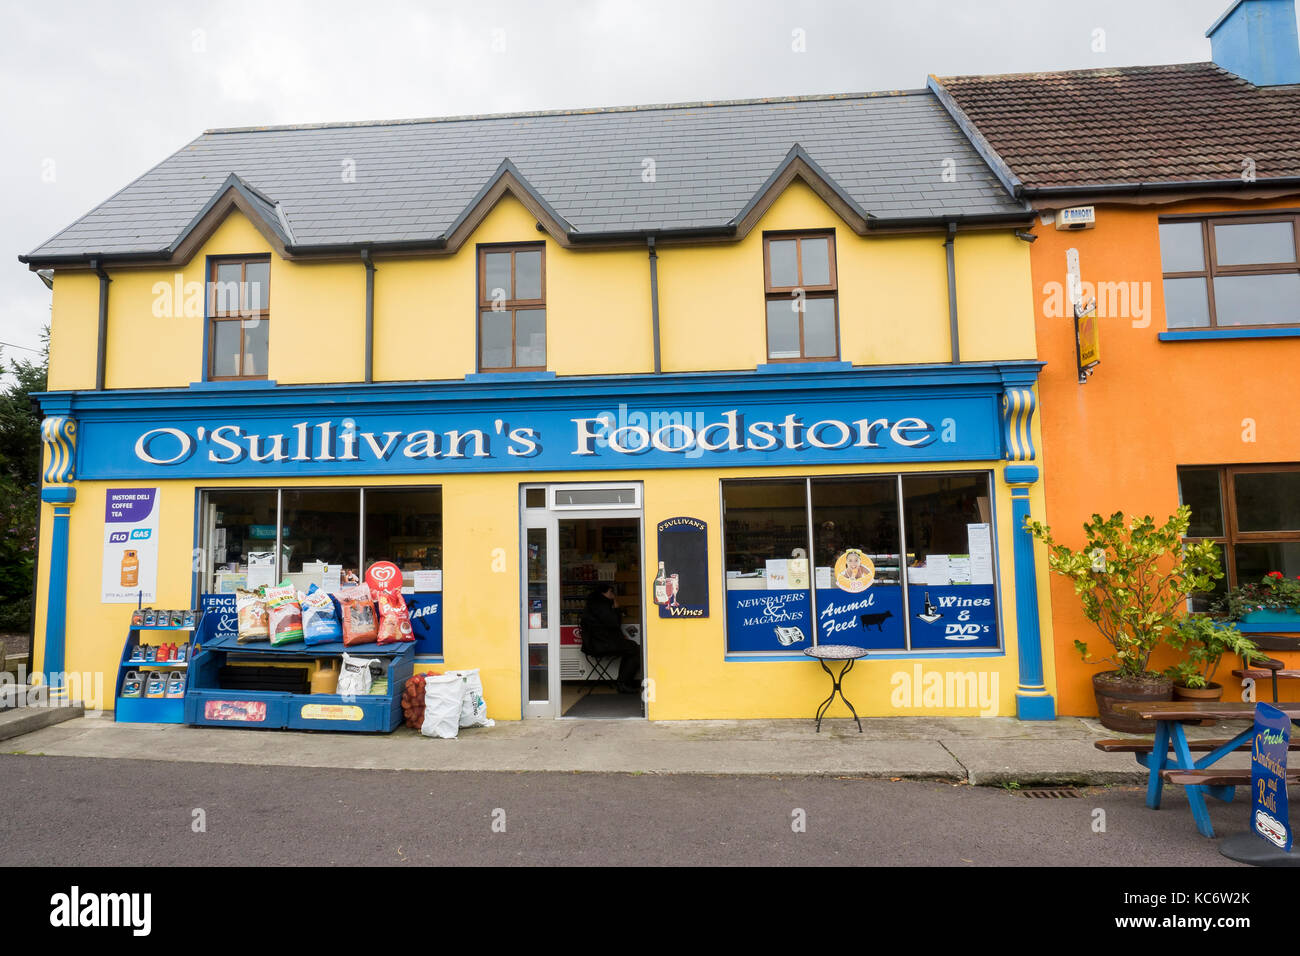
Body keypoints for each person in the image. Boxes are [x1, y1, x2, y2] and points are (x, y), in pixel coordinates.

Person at [579, 583, 641, 693]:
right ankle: (623, 683)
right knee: (636, 650)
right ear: (603, 593)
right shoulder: (602, 605)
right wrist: (617, 608)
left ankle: (623, 682)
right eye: (611, 592)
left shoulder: (593, 604)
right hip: (601, 645)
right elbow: (614, 623)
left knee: (631, 648)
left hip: (595, 643)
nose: (613, 595)